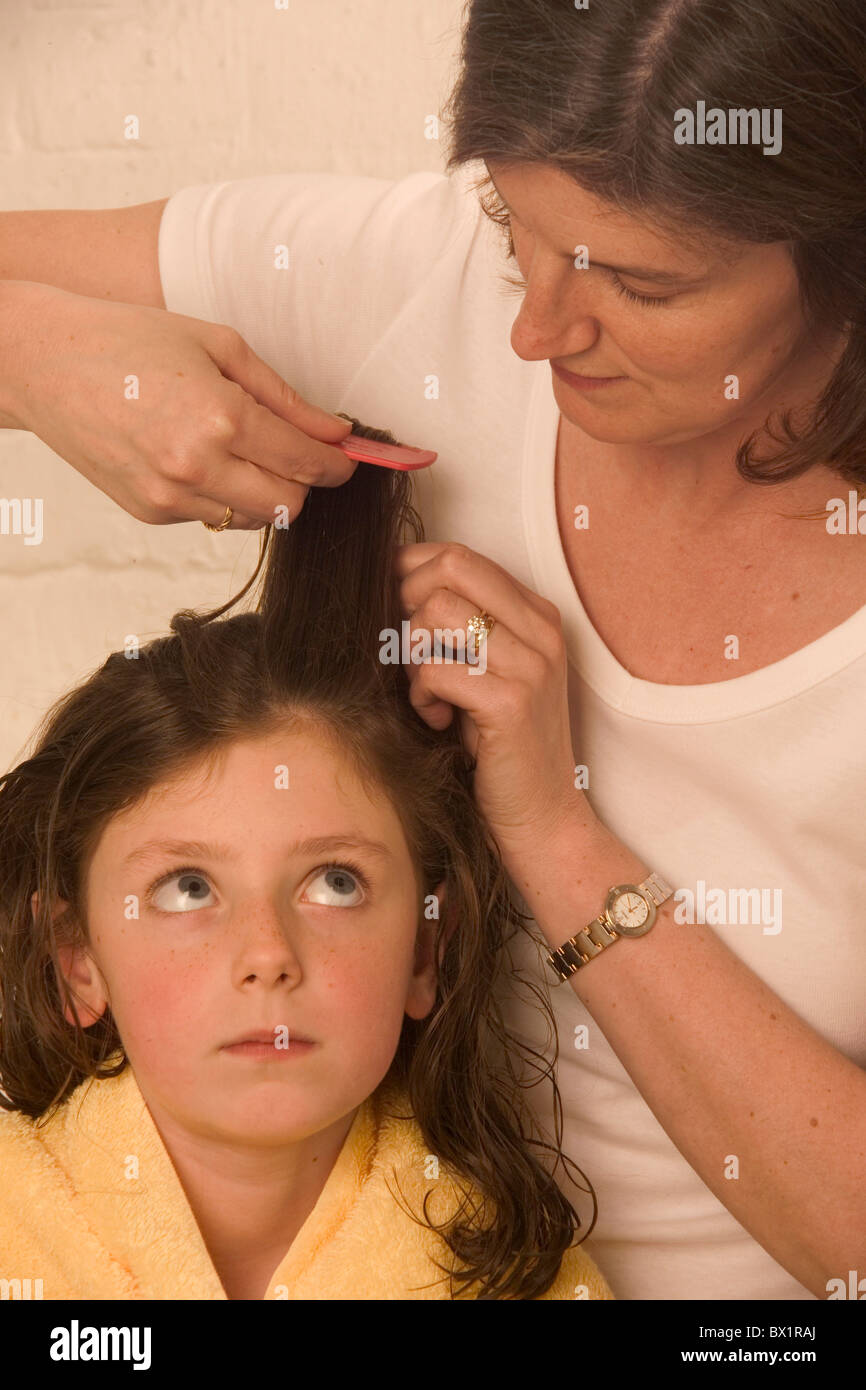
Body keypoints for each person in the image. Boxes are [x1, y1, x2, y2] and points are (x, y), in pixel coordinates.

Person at [0, 0, 864, 1300]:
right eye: (519, 231)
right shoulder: (417, 277)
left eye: (642, 282)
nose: (536, 332)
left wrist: (560, 839)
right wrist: (32, 353)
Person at [0, 421, 612, 1301]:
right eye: (187, 887)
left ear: (426, 951)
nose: (267, 955)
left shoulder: (520, 1279)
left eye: (335, 882)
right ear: (77, 959)